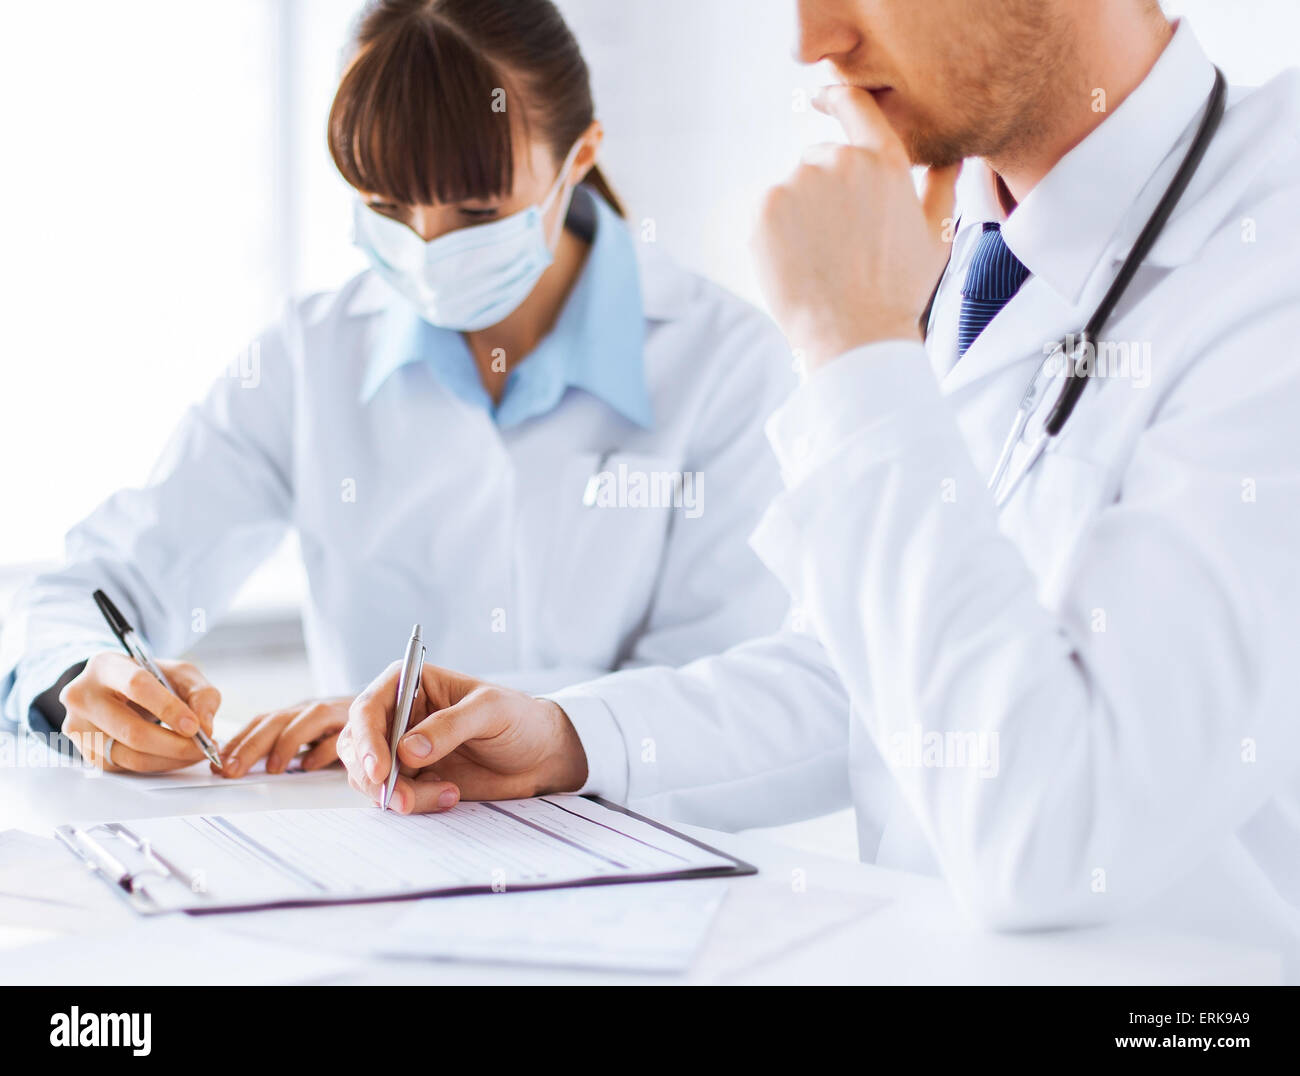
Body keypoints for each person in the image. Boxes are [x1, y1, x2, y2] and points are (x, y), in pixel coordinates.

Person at [339, 1, 1300, 973]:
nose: (810, 41)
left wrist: (853, 346)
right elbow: (860, 676)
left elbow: (1053, 831)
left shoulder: (1270, 257)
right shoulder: (967, 236)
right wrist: (569, 737)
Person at [0, 0, 793, 782]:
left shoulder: (726, 363)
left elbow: (727, 707)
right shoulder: (311, 357)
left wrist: (453, 724)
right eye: (386, 204)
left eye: (478, 209)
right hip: (376, 864)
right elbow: (91, 586)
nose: (427, 248)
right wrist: (83, 676)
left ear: (579, 158)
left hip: (640, 874)